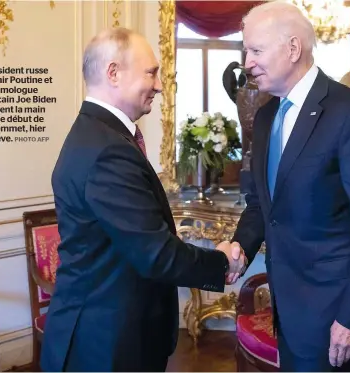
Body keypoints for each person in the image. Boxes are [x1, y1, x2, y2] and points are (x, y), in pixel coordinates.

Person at [40, 28, 246, 372]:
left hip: (111, 333)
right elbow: (156, 255)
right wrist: (221, 262)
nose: (160, 85)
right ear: (113, 73)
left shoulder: (100, 136)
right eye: (151, 72)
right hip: (105, 344)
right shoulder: (107, 150)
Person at [230, 2, 350, 371]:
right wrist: (241, 243)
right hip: (286, 306)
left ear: (293, 48)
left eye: (255, 50)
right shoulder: (266, 116)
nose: (247, 61)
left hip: (334, 309)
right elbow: (262, 204)